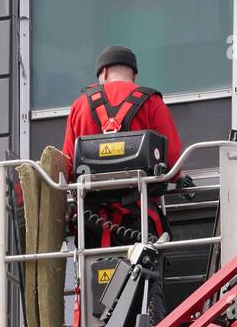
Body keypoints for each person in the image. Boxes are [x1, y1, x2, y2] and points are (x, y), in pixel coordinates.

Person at [62, 45, 189, 251]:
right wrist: (178, 177)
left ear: (103, 73)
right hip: (140, 219)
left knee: (92, 276)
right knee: (145, 277)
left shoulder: (80, 106)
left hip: (92, 223)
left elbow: (67, 164)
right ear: (134, 75)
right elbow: (172, 159)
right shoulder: (151, 102)